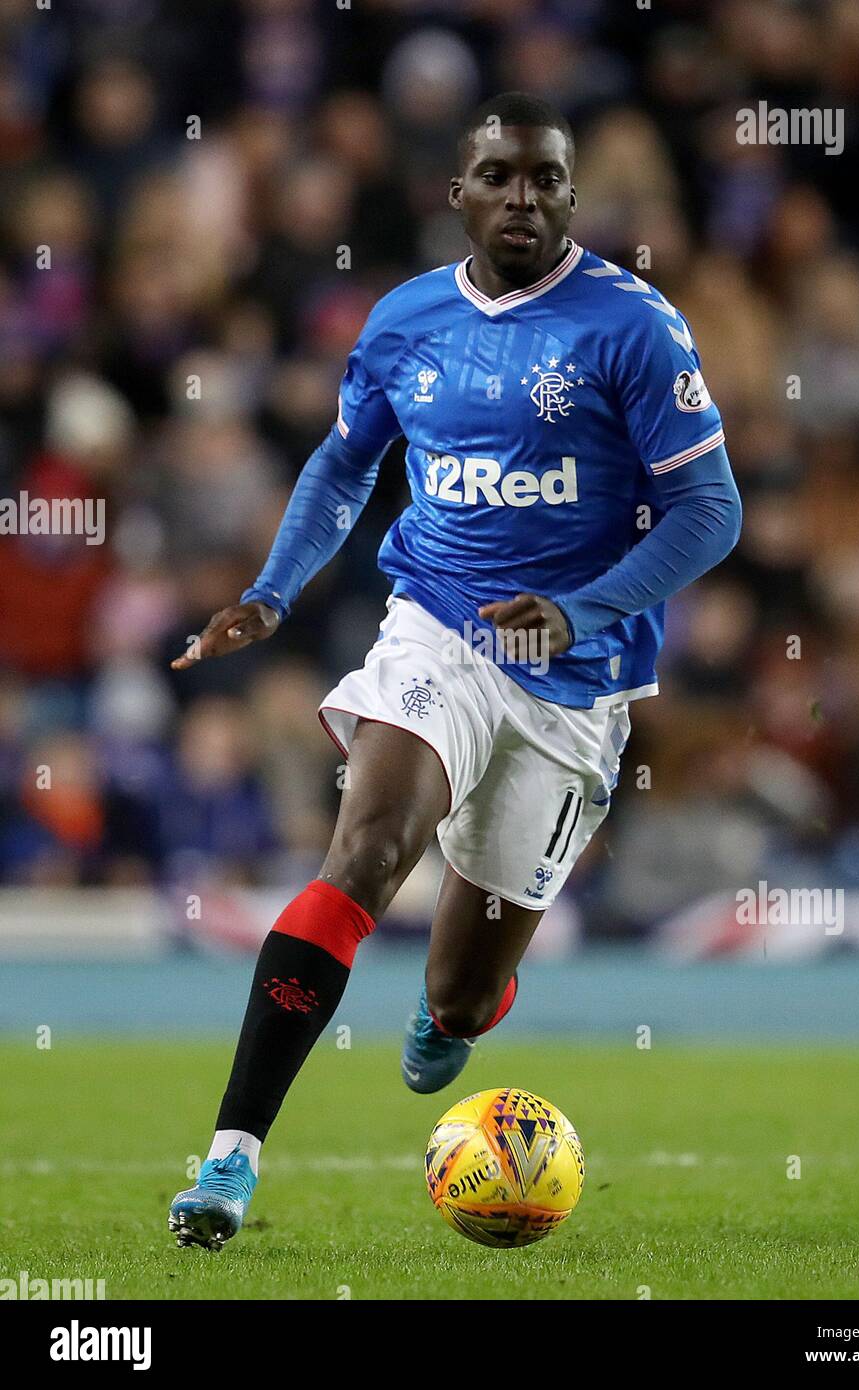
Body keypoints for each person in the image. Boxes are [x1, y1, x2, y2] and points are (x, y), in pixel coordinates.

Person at [168, 91, 742, 1250]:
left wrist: (580, 608)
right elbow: (341, 469)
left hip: (575, 679)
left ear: (571, 194)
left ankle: (458, 1014)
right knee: (370, 847)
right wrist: (273, 591)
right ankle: (229, 1158)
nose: (520, 198)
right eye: (498, 178)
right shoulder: (403, 320)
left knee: (459, 997)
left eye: (543, 179)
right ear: (459, 193)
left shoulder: (634, 326)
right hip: (437, 623)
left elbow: (709, 509)